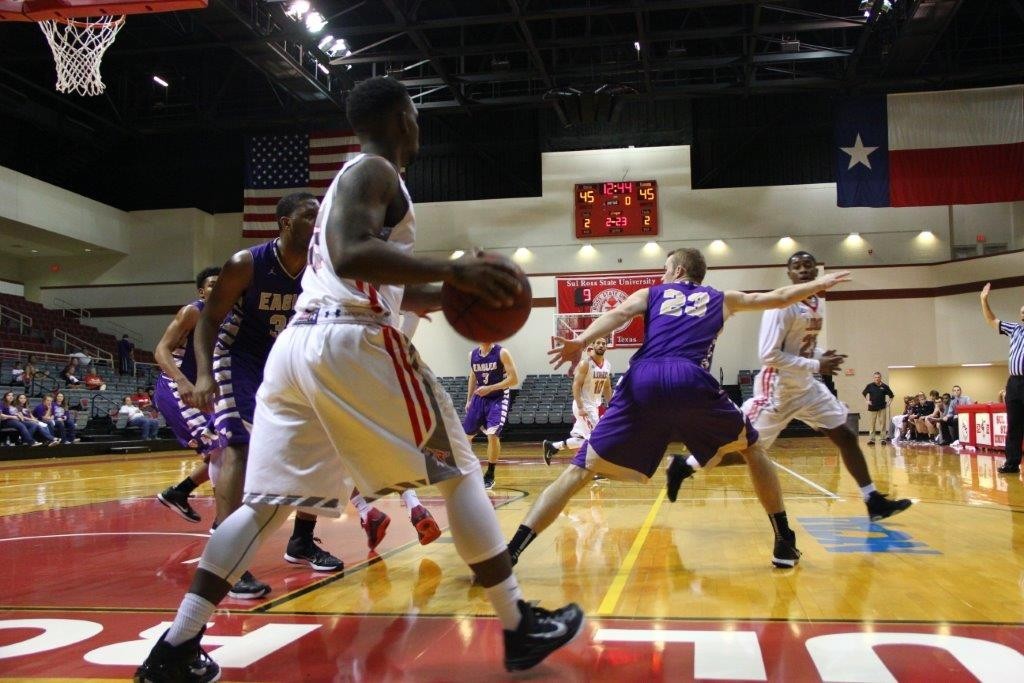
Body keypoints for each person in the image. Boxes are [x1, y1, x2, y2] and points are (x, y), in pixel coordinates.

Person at [135, 76, 582, 682]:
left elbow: (378, 275)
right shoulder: (374, 171)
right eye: (417, 118)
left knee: (264, 505)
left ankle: (177, 644)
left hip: (299, 348)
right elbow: (351, 256)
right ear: (404, 119)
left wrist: (456, 287)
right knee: (458, 469)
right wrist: (455, 267)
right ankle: (518, 626)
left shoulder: (356, 182)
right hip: (352, 340)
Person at [507, 248, 851, 570]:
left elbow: (617, 313)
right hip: (690, 378)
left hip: (643, 378)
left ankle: (513, 551)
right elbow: (773, 298)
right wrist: (817, 284)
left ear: (679, 270)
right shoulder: (722, 298)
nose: (662, 275)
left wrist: (581, 342)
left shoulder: (652, 294)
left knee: (578, 472)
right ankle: (783, 539)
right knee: (753, 448)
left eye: (665, 269)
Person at [672, 251, 911, 521]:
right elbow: (769, 355)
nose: (804, 270)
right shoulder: (782, 306)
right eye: (797, 267)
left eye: (809, 265)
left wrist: (820, 356)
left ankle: (873, 500)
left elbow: (801, 348)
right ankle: (685, 465)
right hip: (776, 389)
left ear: (815, 272)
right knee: (747, 451)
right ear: (789, 274)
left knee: (845, 435)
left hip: (806, 387)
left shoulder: (816, 303)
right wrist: (817, 365)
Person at [200, 193, 343, 582]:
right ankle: (228, 554)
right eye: (308, 215)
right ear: (284, 222)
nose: (318, 221)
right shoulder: (246, 263)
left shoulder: (320, 266)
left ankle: (301, 540)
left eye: (321, 215)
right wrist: (202, 375)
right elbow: (209, 319)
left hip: (288, 362)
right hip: (240, 360)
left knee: (312, 445)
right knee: (239, 448)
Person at [152, 267, 223, 525]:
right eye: (213, 284)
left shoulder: (233, 316)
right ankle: (223, 523)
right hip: (178, 386)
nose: (219, 288)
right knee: (220, 447)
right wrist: (181, 381)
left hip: (204, 390)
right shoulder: (193, 311)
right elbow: (161, 350)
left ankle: (178, 492)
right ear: (202, 291)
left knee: (231, 445)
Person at [542, 338, 613, 466]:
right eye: (598, 343)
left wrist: (611, 405)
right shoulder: (585, 364)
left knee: (582, 438)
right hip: (584, 405)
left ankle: (552, 446)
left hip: (594, 406)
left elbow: (607, 387)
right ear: (592, 346)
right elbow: (576, 385)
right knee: (598, 436)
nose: (601, 345)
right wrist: (580, 407)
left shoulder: (607, 365)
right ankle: (593, 467)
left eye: (603, 343)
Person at [980, 282, 1024, 474]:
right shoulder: (1015, 329)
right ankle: (1012, 463)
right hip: (1014, 382)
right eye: (1021, 312)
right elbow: (992, 321)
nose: (1022, 314)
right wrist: (984, 300)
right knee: (1013, 425)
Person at [464, 342, 519, 489]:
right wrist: (469, 399)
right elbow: (473, 377)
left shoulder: (502, 353)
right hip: (480, 397)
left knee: (492, 434)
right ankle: (469, 471)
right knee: (466, 436)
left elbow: (514, 379)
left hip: (498, 397)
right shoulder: (472, 355)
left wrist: (490, 388)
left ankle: (490, 473)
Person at [862, 371, 894, 445]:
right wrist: (866, 401)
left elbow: (891, 396)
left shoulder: (885, 386)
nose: (877, 378)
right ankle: (872, 439)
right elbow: (864, 393)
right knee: (872, 424)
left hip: (882, 407)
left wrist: (889, 403)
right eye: (875, 377)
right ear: (873, 378)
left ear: (880, 378)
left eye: (878, 377)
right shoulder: (869, 386)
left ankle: (883, 439)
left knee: (882, 424)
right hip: (872, 408)